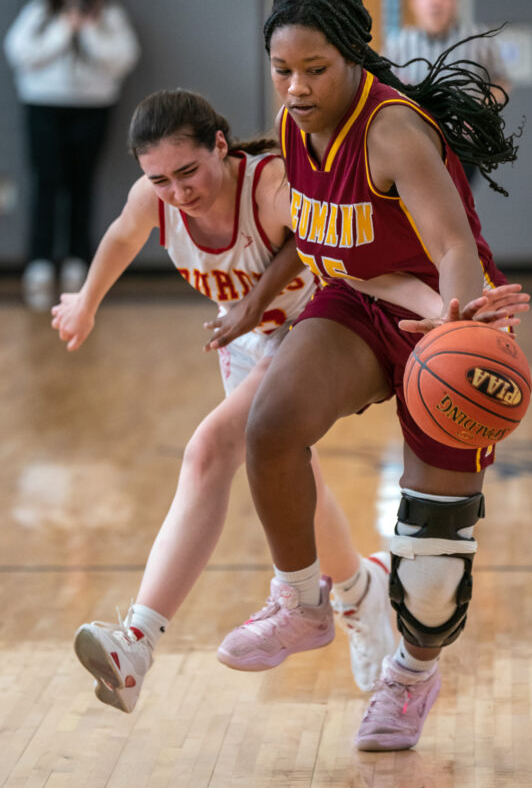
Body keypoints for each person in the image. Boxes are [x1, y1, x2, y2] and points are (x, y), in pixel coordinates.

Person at [50, 88, 454, 712]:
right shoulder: (153, 199)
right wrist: (86, 301)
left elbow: (322, 246)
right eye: (159, 179)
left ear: (220, 146)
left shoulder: (266, 184)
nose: (178, 192)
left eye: (188, 172)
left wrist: (254, 299)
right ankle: (357, 589)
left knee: (208, 451)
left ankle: (137, 641)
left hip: (312, 325)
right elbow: (122, 235)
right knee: (297, 483)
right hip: (249, 341)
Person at [215, 0, 529, 752]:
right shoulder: (298, 126)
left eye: (315, 68)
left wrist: (459, 321)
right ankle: (301, 603)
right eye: (283, 70)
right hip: (357, 303)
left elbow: (454, 245)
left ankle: (411, 677)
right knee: (271, 426)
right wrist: (255, 304)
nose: (296, 87)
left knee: (432, 555)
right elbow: (305, 227)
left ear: (352, 59)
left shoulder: (391, 130)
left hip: (440, 317)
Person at [4, 0, 140, 311]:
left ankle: (78, 260)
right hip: (44, 106)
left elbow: (124, 57)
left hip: (93, 108)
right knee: (46, 182)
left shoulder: (107, 13)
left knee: (82, 183)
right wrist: (65, 28)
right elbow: (20, 54)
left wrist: (89, 29)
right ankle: (39, 264)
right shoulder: (40, 11)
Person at [383, 0, 511, 185]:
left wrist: (479, 109)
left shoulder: (478, 41)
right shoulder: (397, 45)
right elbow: (377, 86)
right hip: (412, 145)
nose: (435, 2)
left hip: (463, 148)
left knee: (457, 208)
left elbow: (502, 83)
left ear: (454, 0)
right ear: (414, 1)